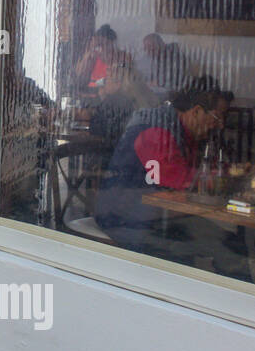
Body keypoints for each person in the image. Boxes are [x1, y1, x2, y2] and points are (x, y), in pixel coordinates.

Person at [96, 77, 235, 264]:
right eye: (218, 117)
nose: (221, 125)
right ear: (197, 112)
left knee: (229, 239)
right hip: (125, 219)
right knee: (222, 248)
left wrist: (230, 171)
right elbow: (179, 181)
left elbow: (195, 172)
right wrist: (232, 179)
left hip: (158, 217)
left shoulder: (185, 131)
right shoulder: (155, 131)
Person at [88, 62, 160, 144]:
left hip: (113, 151)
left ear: (118, 84)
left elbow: (96, 129)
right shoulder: (136, 100)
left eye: (107, 78)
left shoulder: (113, 101)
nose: (104, 82)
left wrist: (103, 100)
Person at [72, 25, 133, 95]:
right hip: (90, 95)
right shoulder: (93, 56)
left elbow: (124, 81)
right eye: (99, 44)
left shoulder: (123, 57)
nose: (102, 47)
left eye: (105, 43)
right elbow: (79, 74)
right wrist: (89, 51)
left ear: (113, 43)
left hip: (112, 97)